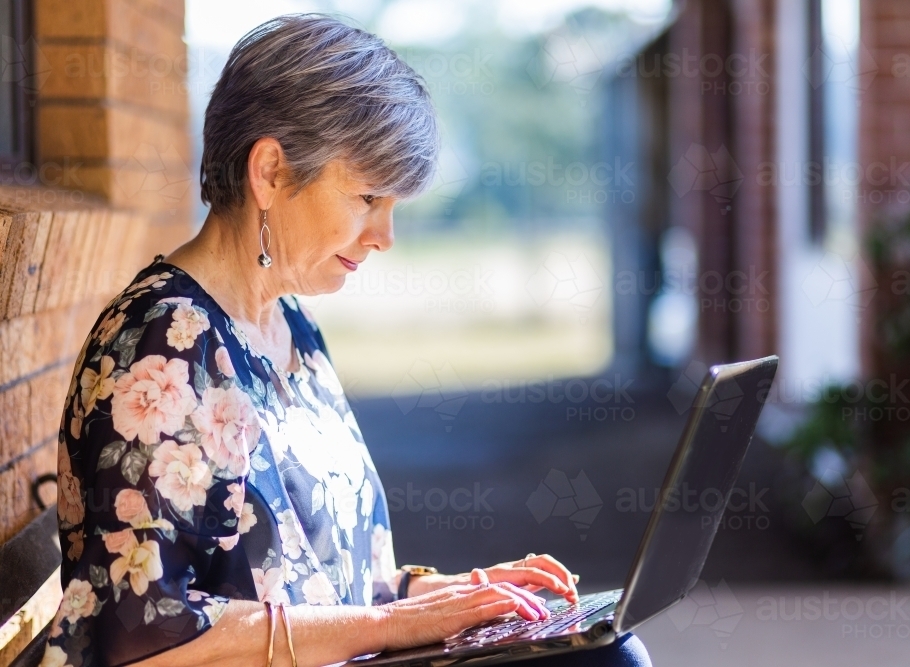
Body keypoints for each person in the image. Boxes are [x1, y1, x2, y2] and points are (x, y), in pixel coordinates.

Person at [43, 14, 651, 667]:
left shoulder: (289, 326)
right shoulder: (164, 345)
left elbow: (334, 579)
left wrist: (459, 596)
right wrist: (390, 623)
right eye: (367, 198)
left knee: (604, 646)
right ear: (271, 171)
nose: (385, 235)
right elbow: (142, 641)